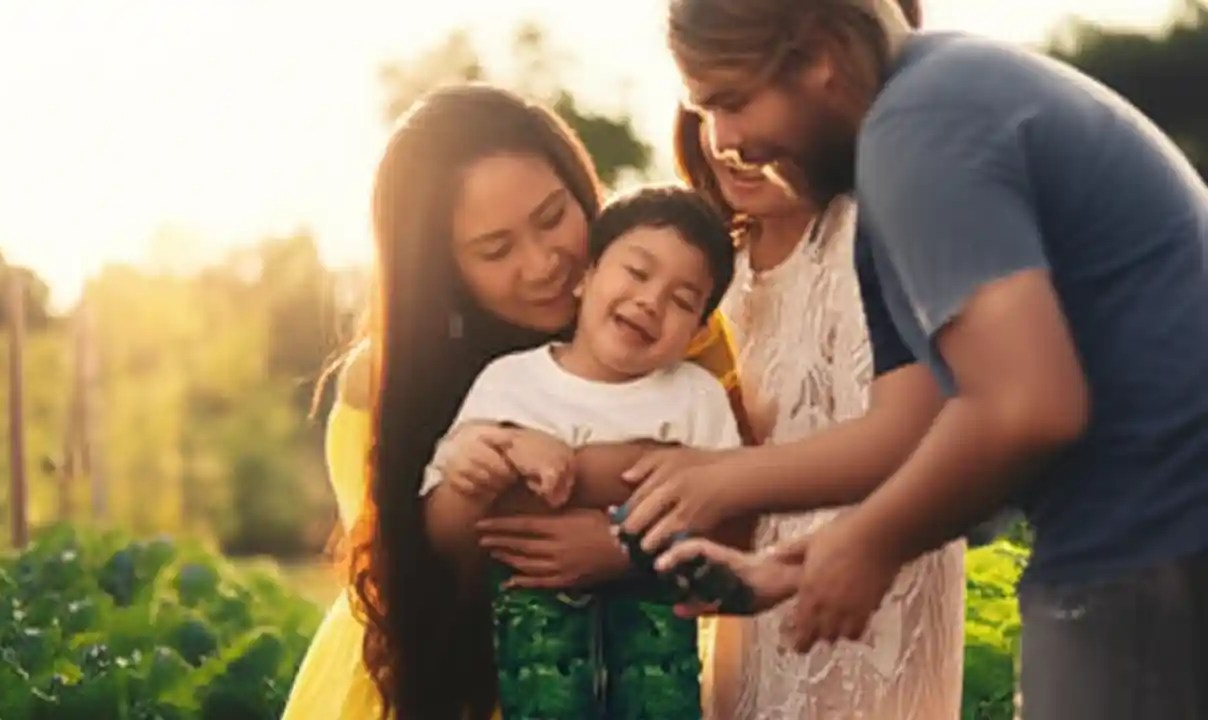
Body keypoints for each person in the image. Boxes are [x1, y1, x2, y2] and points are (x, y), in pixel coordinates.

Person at [648, 0, 1208, 717]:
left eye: (731, 102)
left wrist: (871, 545)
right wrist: (788, 569)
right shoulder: (923, 122)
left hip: (1153, 544)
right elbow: (917, 428)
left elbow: (1028, 406)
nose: (723, 142)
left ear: (817, 56)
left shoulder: (919, 130)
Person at [281, 85, 742, 720]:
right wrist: (637, 465)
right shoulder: (391, 382)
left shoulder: (672, 325)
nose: (544, 262)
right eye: (495, 250)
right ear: (445, 272)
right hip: (441, 683)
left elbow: (742, 507)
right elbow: (447, 560)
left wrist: (615, 538)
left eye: (554, 216)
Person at [653, 101, 963, 719]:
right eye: (713, 106)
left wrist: (719, 481)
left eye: (758, 105)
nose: (729, 144)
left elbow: (909, 435)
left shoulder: (866, 237)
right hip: (752, 596)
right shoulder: (710, 273)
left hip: (877, 588)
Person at [421, 185, 740, 719]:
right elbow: (445, 523)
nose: (650, 301)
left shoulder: (695, 397)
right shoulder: (510, 382)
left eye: (682, 300)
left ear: (697, 331)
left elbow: (726, 523)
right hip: (536, 666)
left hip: (656, 674)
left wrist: (624, 553)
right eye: (637, 273)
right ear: (587, 275)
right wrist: (491, 455)